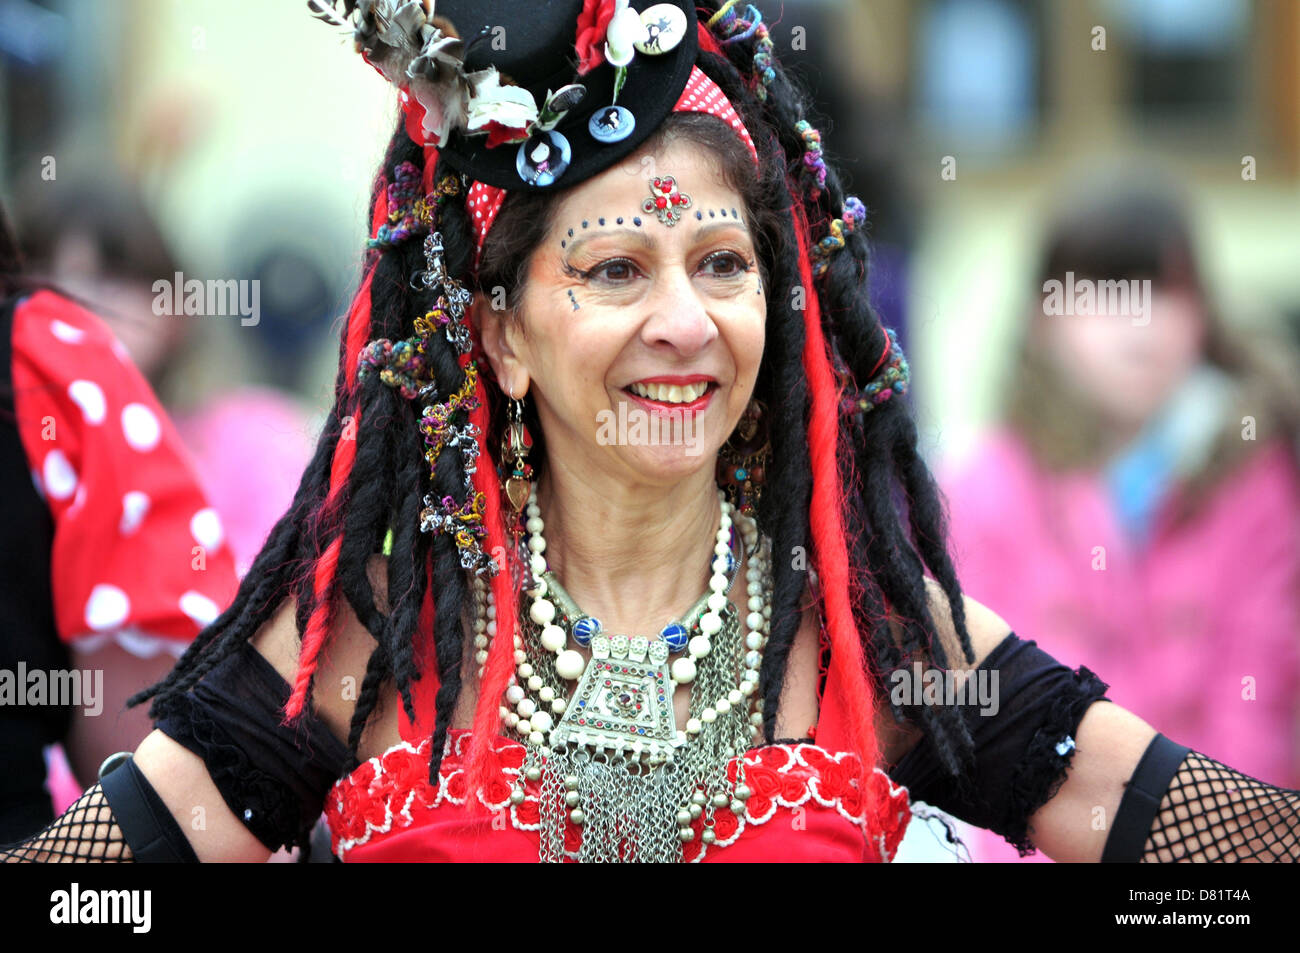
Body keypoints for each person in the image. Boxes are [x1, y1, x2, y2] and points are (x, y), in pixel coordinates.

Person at [4, 0, 1297, 864]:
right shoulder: (367, 633)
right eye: (616, 270)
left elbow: (1224, 855)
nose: (686, 321)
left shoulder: (866, 629)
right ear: (500, 334)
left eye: (723, 265)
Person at [938, 174, 1300, 862]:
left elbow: (1259, 711)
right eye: (1105, 294)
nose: (1139, 320)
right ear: (1044, 318)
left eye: (1165, 291)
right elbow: (987, 737)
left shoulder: (1253, 479)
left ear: (1204, 314)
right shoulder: (985, 492)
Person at [0, 200, 238, 842]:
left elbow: (154, 774)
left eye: (113, 274)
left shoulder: (50, 366)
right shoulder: (49, 361)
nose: (79, 292)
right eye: (55, 265)